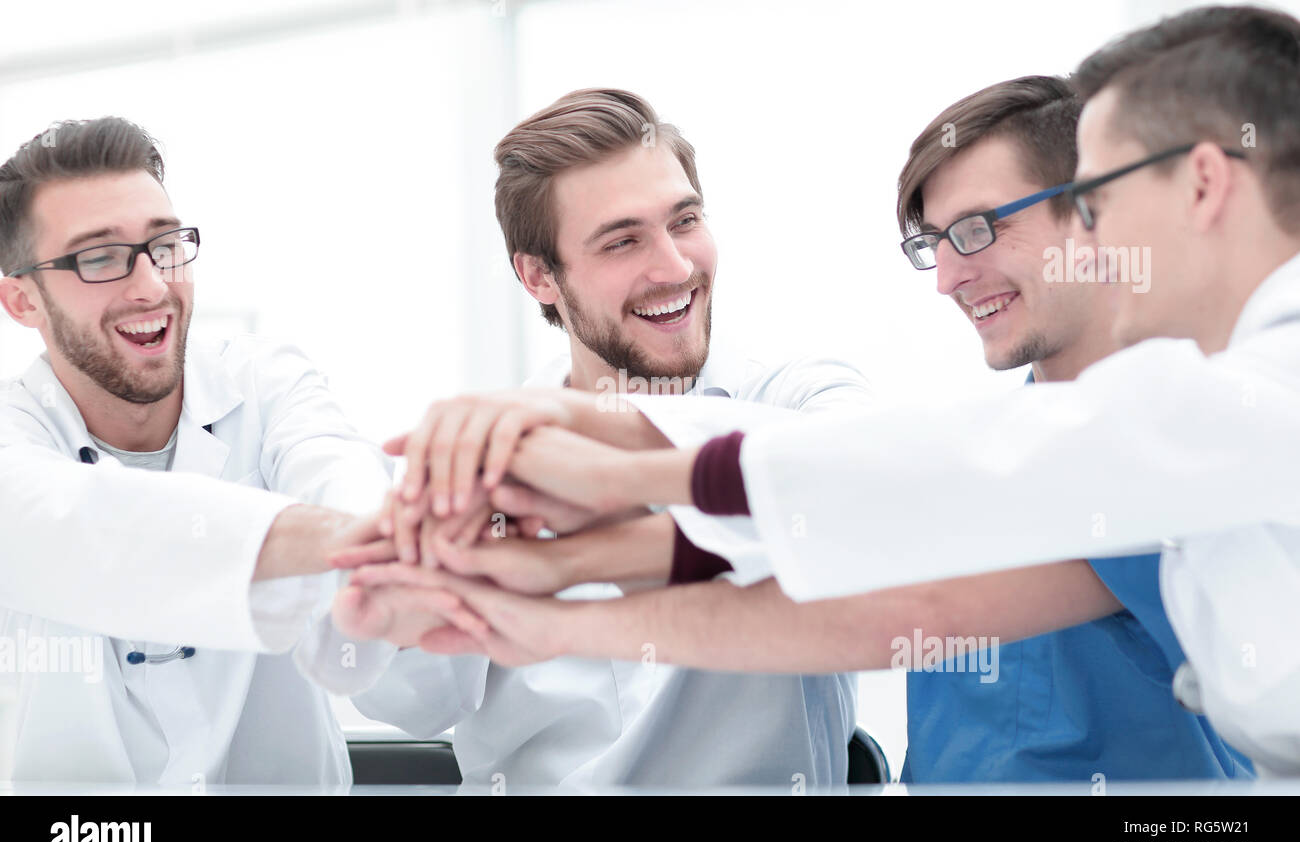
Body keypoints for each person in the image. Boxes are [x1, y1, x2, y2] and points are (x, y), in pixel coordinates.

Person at [382, 6, 1300, 777]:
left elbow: (899, 530)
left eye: (1094, 198)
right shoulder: (1157, 419)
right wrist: (548, 569)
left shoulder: (1219, 405)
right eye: (932, 244)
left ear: (1207, 181)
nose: (947, 279)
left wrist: (588, 473)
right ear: (538, 276)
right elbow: (916, 584)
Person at [334, 89, 874, 788]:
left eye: (685, 221)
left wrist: (588, 436)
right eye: (623, 241)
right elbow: (414, 699)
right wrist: (405, 599)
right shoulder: (479, 470)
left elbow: (850, 490)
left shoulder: (803, 397)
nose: (675, 267)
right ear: (538, 276)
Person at [0, 117, 424, 784]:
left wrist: (387, 533)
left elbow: (336, 466)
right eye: (100, 257)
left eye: (164, 245)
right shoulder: (11, 437)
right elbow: (77, 519)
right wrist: (367, 539)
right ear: (21, 299)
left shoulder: (268, 383)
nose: (149, 286)